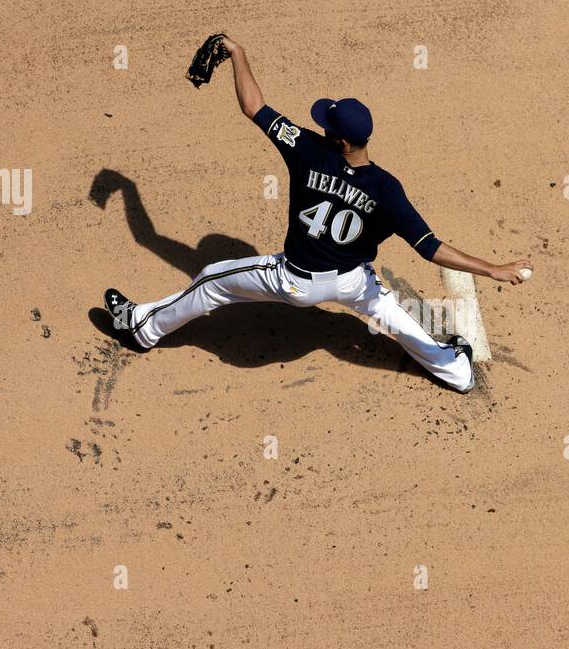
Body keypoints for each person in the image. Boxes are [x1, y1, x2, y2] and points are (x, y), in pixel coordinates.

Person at [103, 36, 530, 393]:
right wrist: (494, 268)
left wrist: (239, 53)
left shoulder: (306, 150)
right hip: (352, 283)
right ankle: (455, 370)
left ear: (340, 140)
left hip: (292, 281)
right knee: (392, 316)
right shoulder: (387, 189)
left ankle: (143, 327)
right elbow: (431, 248)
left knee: (212, 279)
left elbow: (253, 106)